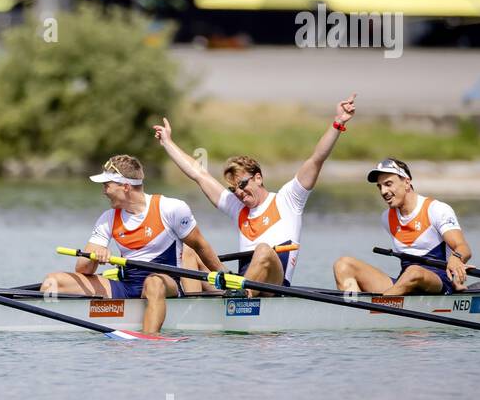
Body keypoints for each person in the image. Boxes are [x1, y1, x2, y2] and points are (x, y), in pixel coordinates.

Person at [153, 93, 357, 293]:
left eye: (242, 185)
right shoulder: (237, 207)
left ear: (258, 178)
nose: (239, 193)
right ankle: (193, 309)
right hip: (241, 284)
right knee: (190, 250)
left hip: (274, 286)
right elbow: (199, 174)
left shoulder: (288, 199)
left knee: (263, 250)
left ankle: (240, 296)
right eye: (233, 189)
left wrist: (338, 122)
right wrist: (168, 143)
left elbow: (316, 159)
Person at [39, 154, 225, 335]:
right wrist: (97, 254)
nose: (103, 191)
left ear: (125, 186)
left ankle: (149, 338)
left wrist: (226, 277)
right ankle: (42, 325)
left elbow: (201, 246)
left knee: (153, 283)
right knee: (52, 283)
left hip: (167, 284)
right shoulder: (108, 219)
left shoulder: (170, 208)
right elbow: (82, 269)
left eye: (107, 185)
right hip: (128, 287)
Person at [332, 158, 474, 294]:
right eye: (379, 186)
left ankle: (380, 305)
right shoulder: (387, 217)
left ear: (406, 182)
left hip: (439, 282)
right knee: (343, 264)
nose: (383, 191)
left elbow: (463, 247)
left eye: (388, 184)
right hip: (404, 282)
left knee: (414, 271)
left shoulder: (436, 209)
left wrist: (456, 259)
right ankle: (354, 310)